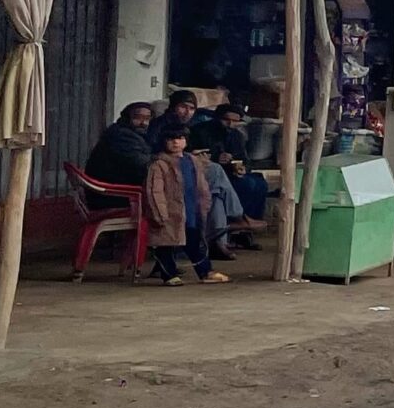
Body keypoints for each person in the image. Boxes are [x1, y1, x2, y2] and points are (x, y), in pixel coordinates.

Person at [143, 131, 229, 284]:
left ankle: (206, 272)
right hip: (169, 212)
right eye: (171, 139)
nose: (176, 142)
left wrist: (205, 204)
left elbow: (202, 185)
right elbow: (154, 191)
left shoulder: (192, 160)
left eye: (180, 138)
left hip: (191, 210)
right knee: (165, 245)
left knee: (195, 243)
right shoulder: (159, 164)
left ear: (186, 141)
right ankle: (169, 275)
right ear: (164, 142)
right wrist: (159, 213)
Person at [193, 104, 269, 227]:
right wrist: (216, 157)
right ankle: (237, 218)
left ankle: (250, 221)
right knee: (247, 185)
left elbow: (245, 159)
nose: (230, 124)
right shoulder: (200, 131)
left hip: (232, 172)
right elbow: (196, 154)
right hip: (211, 174)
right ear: (217, 118)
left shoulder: (237, 135)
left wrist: (242, 168)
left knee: (260, 184)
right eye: (226, 120)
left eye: (235, 121)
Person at [82, 102, 154, 208]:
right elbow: (142, 164)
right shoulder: (122, 136)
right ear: (127, 118)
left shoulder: (128, 132)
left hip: (110, 191)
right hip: (111, 197)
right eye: (138, 118)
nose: (143, 123)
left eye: (147, 119)